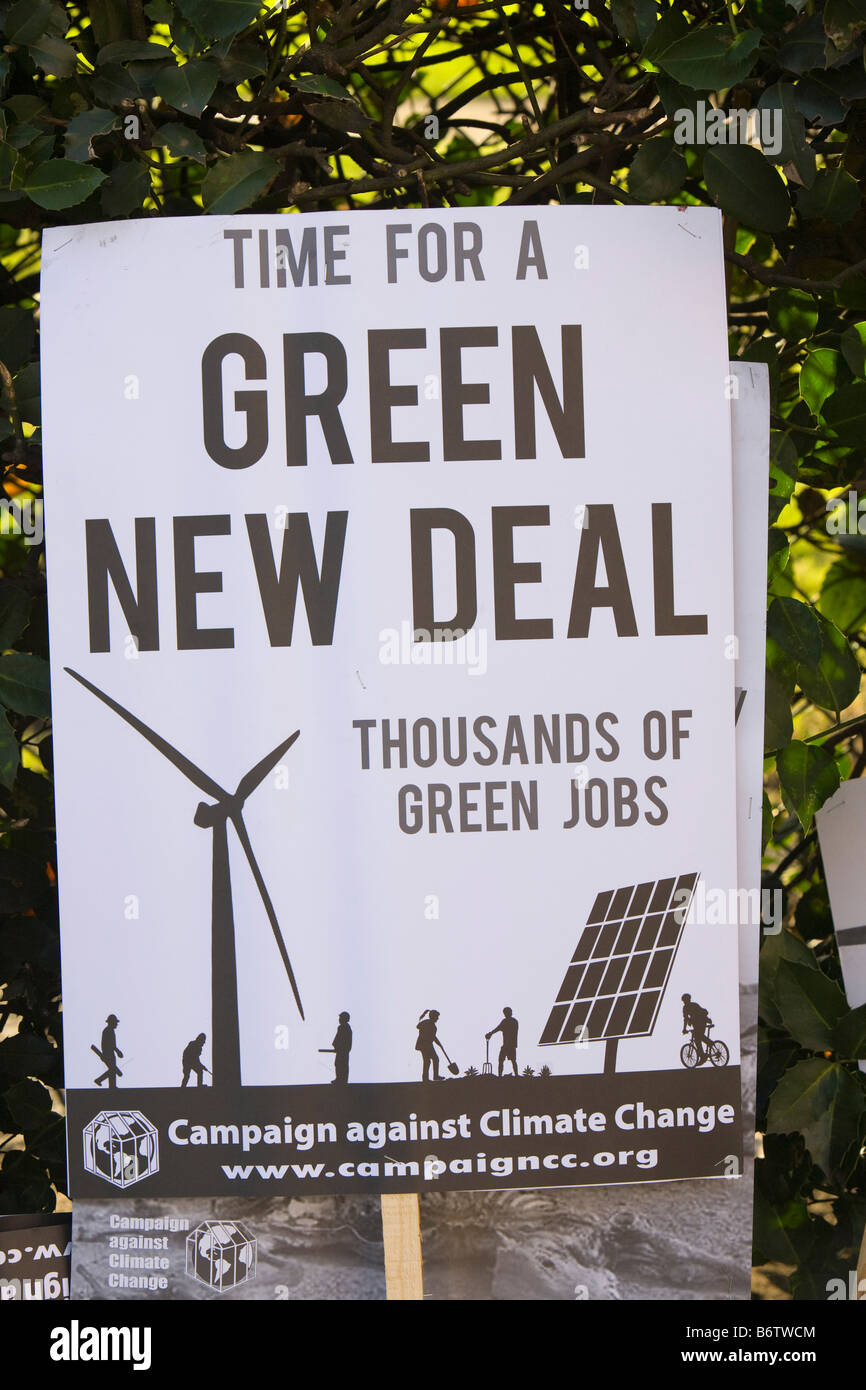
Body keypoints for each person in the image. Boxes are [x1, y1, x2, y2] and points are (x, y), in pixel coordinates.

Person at [486, 1007, 519, 1077]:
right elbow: (498, 1028)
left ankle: (516, 1075)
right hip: (506, 1045)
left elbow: (511, 1033)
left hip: (511, 1045)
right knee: (501, 1060)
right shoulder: (505, 1021)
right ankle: (500, 1076)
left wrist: (490, 1033)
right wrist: (490, 1033)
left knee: (512, 1060)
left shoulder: (513, 1022)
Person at [93, 1014, 123, 1089]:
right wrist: (118, 1052)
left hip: (109, 1053)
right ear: (112, 1022)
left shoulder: (109, 1030)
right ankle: (99, 1080)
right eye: (115, 1022)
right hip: (108, 1054)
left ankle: (112, 1086)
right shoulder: (108, 1030)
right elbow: (111, 1044)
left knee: (112, 1071)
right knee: (112, 1070)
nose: (116, 1024)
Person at [416, 1009, 446, 1081]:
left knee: (433, 1059)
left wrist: (440, 1044)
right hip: (424, 1045)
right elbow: (418, 1026)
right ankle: (428, 1078)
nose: (438, 1018)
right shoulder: (427, 1023)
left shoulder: (433, 1027)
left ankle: (434, 1076)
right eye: (437, 1017)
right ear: (433, 1016)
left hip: (428, 1045)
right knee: (429, 1060)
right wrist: (423, 1017)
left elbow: (433, 1037)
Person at [682, 993, 712, 1062]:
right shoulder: (685, 1008)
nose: (684, 1002)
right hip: (696, 1024)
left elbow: (701, 1013)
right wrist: (684, 1028)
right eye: (684, 1000)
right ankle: (709, 1045)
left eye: (685, 1000)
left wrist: (684, 1028)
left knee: (698, 1038)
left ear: (688, 999)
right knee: (698, 1037)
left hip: (701, 1022)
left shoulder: (694, 1005)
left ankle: (703, 1056)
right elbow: (686, 1018)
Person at [332, 1012, 352, 1084]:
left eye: (340, 1018)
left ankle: (340, 1080)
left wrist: (337, 1046)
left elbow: (338, 1039)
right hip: (344, 1051)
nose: (339, 1019)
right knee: (340, 1064)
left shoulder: (343, 1027)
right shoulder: (346, 1028)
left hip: (342, 1051)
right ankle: (341, 1079)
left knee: (340, 1064)